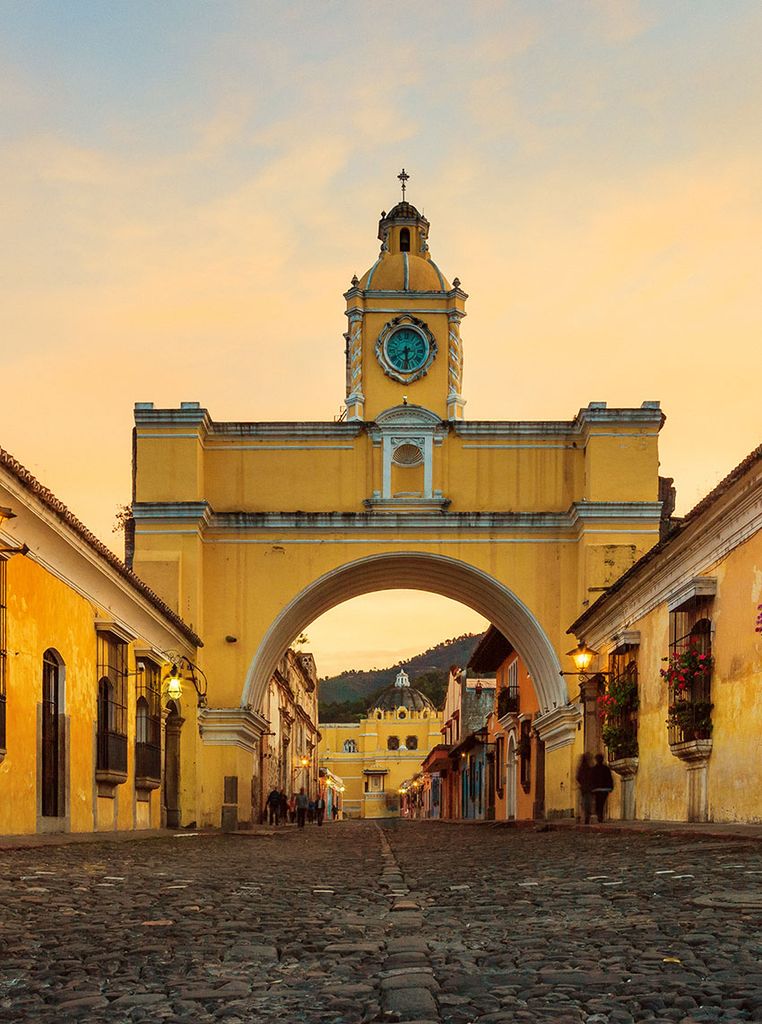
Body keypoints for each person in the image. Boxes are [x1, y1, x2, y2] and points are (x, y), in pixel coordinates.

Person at [590, 753, 614, 823]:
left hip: (598, 789)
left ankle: (600, 815)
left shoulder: (594, 769)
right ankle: (600, 815)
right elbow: (609, 778)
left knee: (599, 803)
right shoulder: (605, 768)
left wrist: (592, 788)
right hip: (604, 789)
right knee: (601, 803)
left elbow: (592, 779)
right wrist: (611, 787)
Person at [576, 753, 594, 825]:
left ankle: (584, 816)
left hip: (584, 789)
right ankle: (587, 817)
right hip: (589, 789)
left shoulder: (581, 768)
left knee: (584, 803)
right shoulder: (590, 768)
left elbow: (578, 778)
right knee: (588, 804)